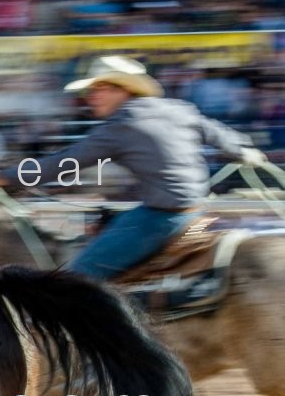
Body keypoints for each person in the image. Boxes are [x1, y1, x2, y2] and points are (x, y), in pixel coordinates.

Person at [21, 55, 269, 279]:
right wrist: (243, 150)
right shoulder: (179, 109)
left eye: (99, 89)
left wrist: (7, 177)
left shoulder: (121, 126)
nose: (91, 97)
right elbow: (218, 133)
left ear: (123, 90)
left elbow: (65, 163)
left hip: (161, 217)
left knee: (77, 277)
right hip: (196, 208)